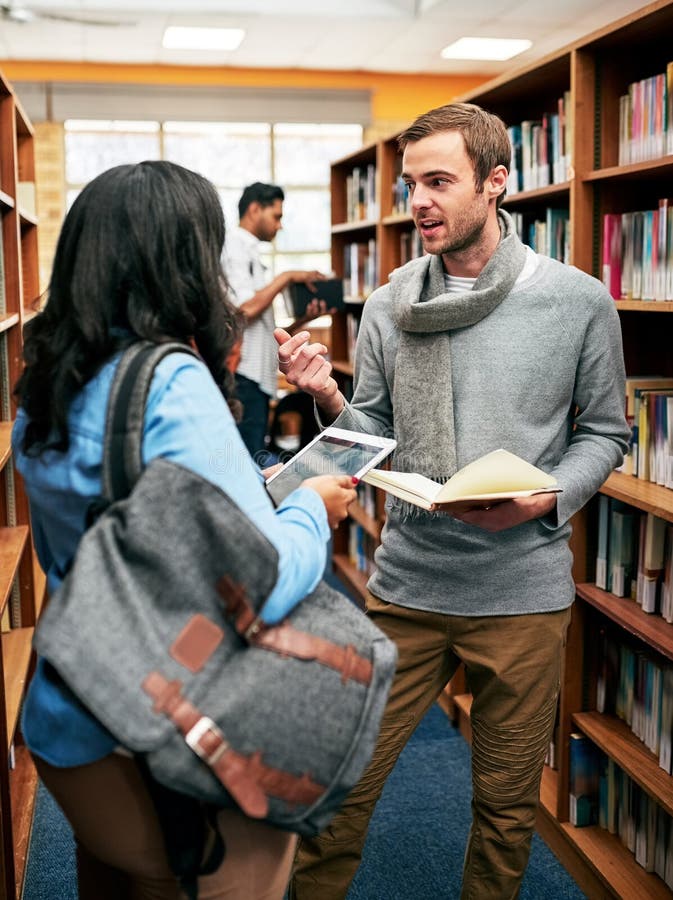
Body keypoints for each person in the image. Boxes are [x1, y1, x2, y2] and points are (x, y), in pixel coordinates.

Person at [275, 102, 631, 899]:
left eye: (439, 182)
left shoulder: (576, 302)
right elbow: (372, 427)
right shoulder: (391, 301)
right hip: (406, 582)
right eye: (410, 185)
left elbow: (606, 433)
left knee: (505, 811)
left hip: (520, 594)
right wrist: (326, 391)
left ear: (496, 182)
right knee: (341, 791)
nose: (419, 202)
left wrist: (549, 498)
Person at [12, 160, 357, 900]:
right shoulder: (169, 378)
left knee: (117, 879)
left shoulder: (44, 376)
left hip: (71, 706)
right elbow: (254, 575)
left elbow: (76, 540)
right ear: (182, 257)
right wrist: (310, 507)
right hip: (166, 714)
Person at [224, 181, 330, 461]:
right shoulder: (234, 245)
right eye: (277, 216)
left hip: (256, 380)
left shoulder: (249, 251)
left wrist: (304, 320)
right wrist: (287, 277)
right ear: (255, 209)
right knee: (247, 464)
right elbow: (244, 310)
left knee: (254, 456)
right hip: (244, 379)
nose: (280, 225)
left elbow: (262, 330)